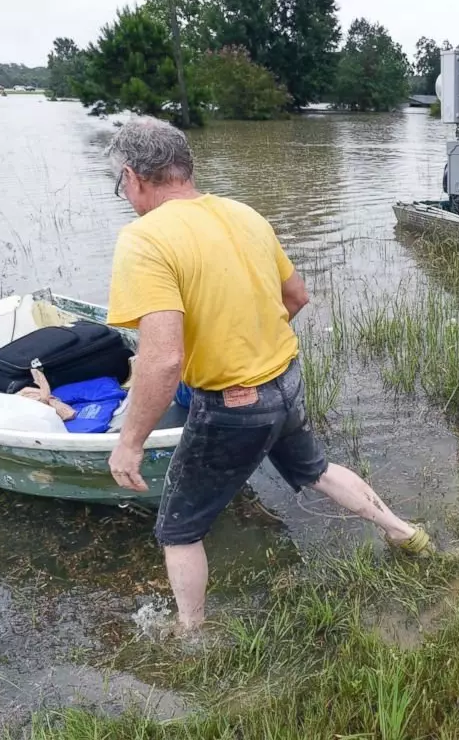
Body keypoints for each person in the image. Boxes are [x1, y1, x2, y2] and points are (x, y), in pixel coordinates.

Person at [104, 116, 433, 634]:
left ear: (132, 177)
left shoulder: (144, 239)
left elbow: (162, 359)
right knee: (318, 470)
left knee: (178, 529)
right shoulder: (243, 213)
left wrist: (130, 442)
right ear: (184, 167)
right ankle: (404, 532)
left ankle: (190, 635)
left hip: (233, 403)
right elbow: (296, 297)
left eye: (120, 185)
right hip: (287, 378)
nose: (124, 195)